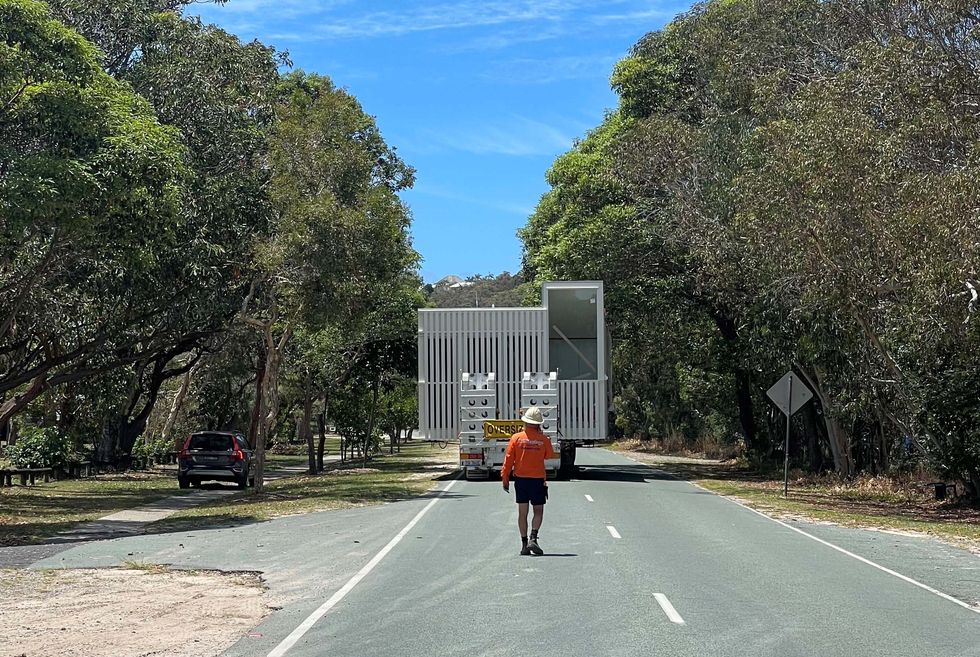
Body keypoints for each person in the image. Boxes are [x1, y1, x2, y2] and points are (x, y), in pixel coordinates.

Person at [501, 406, 555, 556]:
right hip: (537, 480)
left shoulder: (516, 438)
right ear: (538, 424)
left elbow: (508, 460)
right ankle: (533, 537)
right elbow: (549, 455)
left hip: (521, 480)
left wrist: (505, 478)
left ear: (525, 422)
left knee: (522, 512)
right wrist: (542, 439)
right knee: (538, 511)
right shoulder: (543, 440)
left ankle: (524, 544)